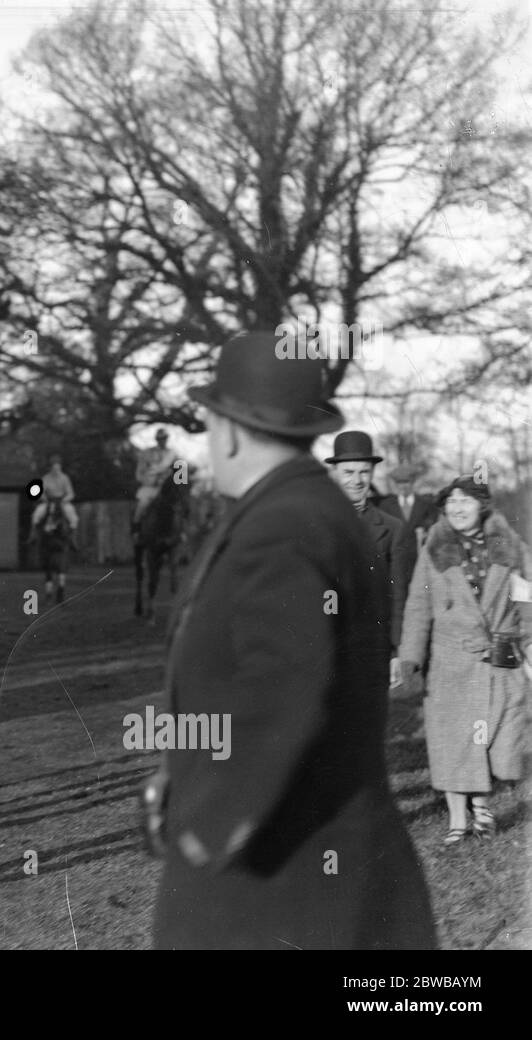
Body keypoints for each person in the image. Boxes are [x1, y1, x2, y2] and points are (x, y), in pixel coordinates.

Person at [147, 329, 435, 950]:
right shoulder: (314, 510)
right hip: (321, 871)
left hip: (280, 884)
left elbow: (285, 683)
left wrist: (209, 823)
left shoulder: (282, 528)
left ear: (228, 429)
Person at [398, 476, 532, 846]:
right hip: (451, 662)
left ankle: (482, 804)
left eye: (465, 501)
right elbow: (418, 605)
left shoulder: (510, 546)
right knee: (453, 742)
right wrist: (411, 656)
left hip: (498, 660)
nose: (456, 508)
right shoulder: (434, 550)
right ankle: (459, 820)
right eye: (450, 502)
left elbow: (528, 600)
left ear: (483, 506)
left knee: (494, 739)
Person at [325, 430, 416, 684]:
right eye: (348, 472)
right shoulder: (312, 522)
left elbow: (398, 595)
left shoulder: (392, 528)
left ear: (373, 473)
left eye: (364, 472)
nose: (357, 480)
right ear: (334, 474)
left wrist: (396, 651)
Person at [381, 462, 438, 551]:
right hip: (394, 555)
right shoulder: (386, 505)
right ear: (396, 484)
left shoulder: (425, 504)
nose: (403, 486)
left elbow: (432, 525)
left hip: (418, 555)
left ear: (413, 482)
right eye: (399, 482)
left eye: (406, 482)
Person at [131, 429, 177, 528]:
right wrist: (148, 481)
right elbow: (139, 473)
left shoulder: (172, 454)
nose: (162, 440)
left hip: (168, 488)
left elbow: (179, 472)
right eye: (160, 438)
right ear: (156, 439)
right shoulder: (147, 453)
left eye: (164, 438)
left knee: (180, 505)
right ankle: (136, 528)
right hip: (151, 487)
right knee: (142, 504)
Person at [31, 454, 79, 534]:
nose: (56, 469)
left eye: (58, 467)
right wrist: (44, 499)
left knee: (73, 517)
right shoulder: (46, 478)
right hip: (49, 501)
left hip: (62, 501)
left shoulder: (65, 478)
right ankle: (33, 537)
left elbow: (71, 494)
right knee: (36, 514)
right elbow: (41, 493)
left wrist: (64, 500)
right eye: (54, 467)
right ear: (51, 468)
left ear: (60, 467)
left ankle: (73, 538)